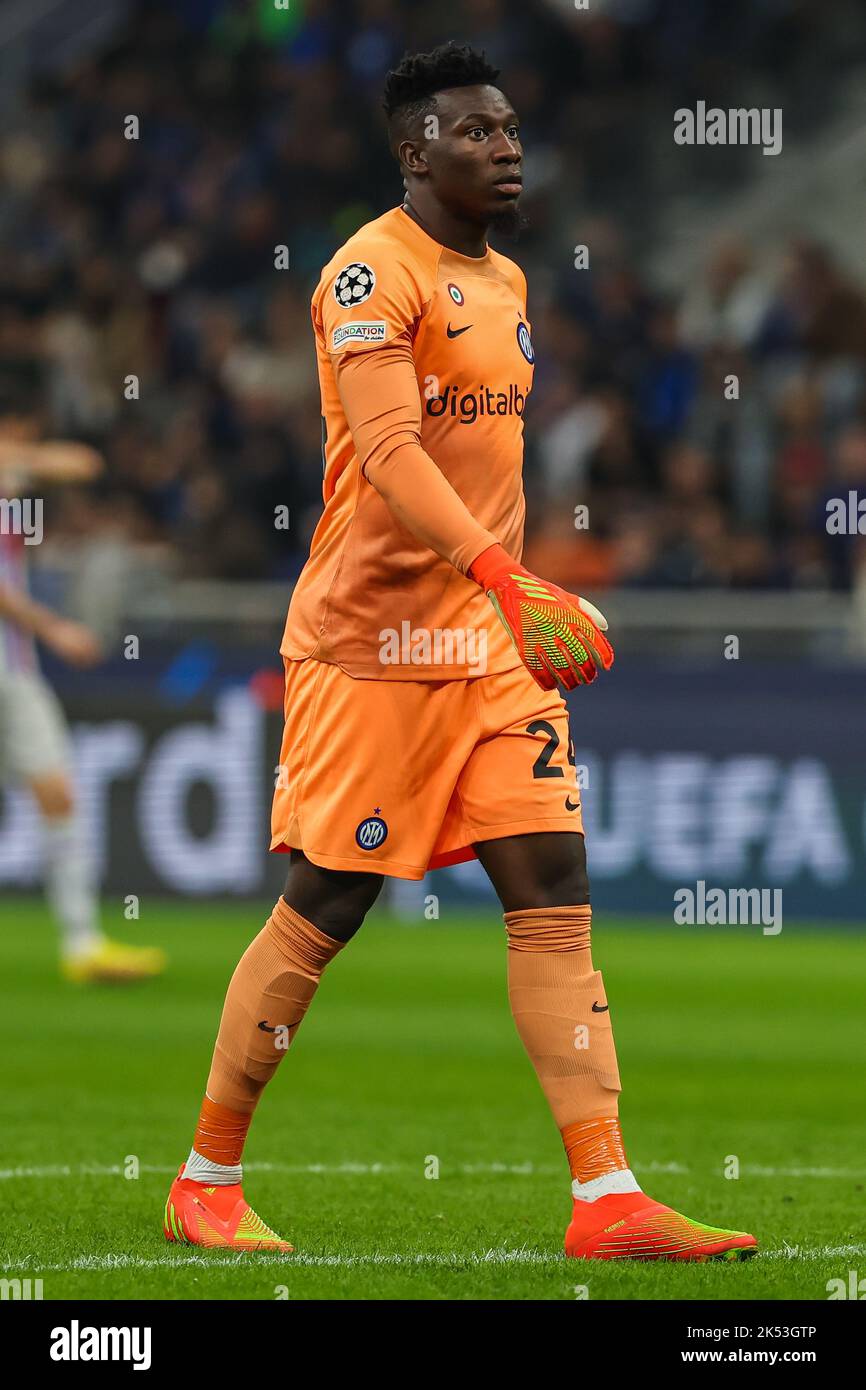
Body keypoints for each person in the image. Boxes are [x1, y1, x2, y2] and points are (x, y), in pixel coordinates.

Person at [165, 43, 755, 1261]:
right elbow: (388, 455)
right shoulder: (364, 273)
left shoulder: (514, 283)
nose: (504, 148)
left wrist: (506, 595)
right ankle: (205, 1175)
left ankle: (606, 1197)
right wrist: (509, 575)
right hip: (371, 643)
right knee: (327, 902)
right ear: (412, 151)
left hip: (487, 647)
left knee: (551, 886)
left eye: (509, 130)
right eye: (474, 132)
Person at [0, 420, 165, 983]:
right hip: (17, 664)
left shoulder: (13, 491)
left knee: (58, 792)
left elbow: (82, 462)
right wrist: (55, 631)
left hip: (13, 674)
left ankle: (82, 944)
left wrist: (23, 459)